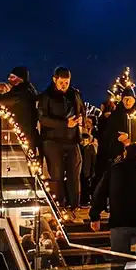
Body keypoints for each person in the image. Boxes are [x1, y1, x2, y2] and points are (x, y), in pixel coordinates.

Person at [38, 67, 85, 217]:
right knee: (56, 174)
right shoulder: (46, 96)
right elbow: (43, 119)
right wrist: (65, 124)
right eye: (61, 82)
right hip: (53, 140)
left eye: (67, 82)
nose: (64, 85)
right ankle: (60, 205)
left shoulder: (74, 94)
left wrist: (80, 119)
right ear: (54, 80)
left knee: (74, 173)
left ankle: (75, 205)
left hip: (72, 140)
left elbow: (81, 109)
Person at [0, 66, 40, 156]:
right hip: (26, 133)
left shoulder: (21, 92)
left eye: (12, 77)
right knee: (31, 159)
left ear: (20, 79)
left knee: (32, 159)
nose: (9, 79)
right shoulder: (25, 90)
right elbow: (1, 108)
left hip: (26, 133)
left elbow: (0, 100)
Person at [98, 88, 136, 173]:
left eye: (130, 99)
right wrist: (118, 138)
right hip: (120, 155)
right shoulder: (116, 115)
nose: (127, 102)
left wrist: (132, 142)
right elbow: (108, 133)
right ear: (122, 100)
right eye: (125, 99)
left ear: (134, 100)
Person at [79, 117, 98, 205]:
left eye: (89, 122)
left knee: (87, 181)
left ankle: (86, 199)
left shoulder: (94, 135)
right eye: (86, 121)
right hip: (82, 160)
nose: (87, 124)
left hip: (89, 161)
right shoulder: (80, 132)